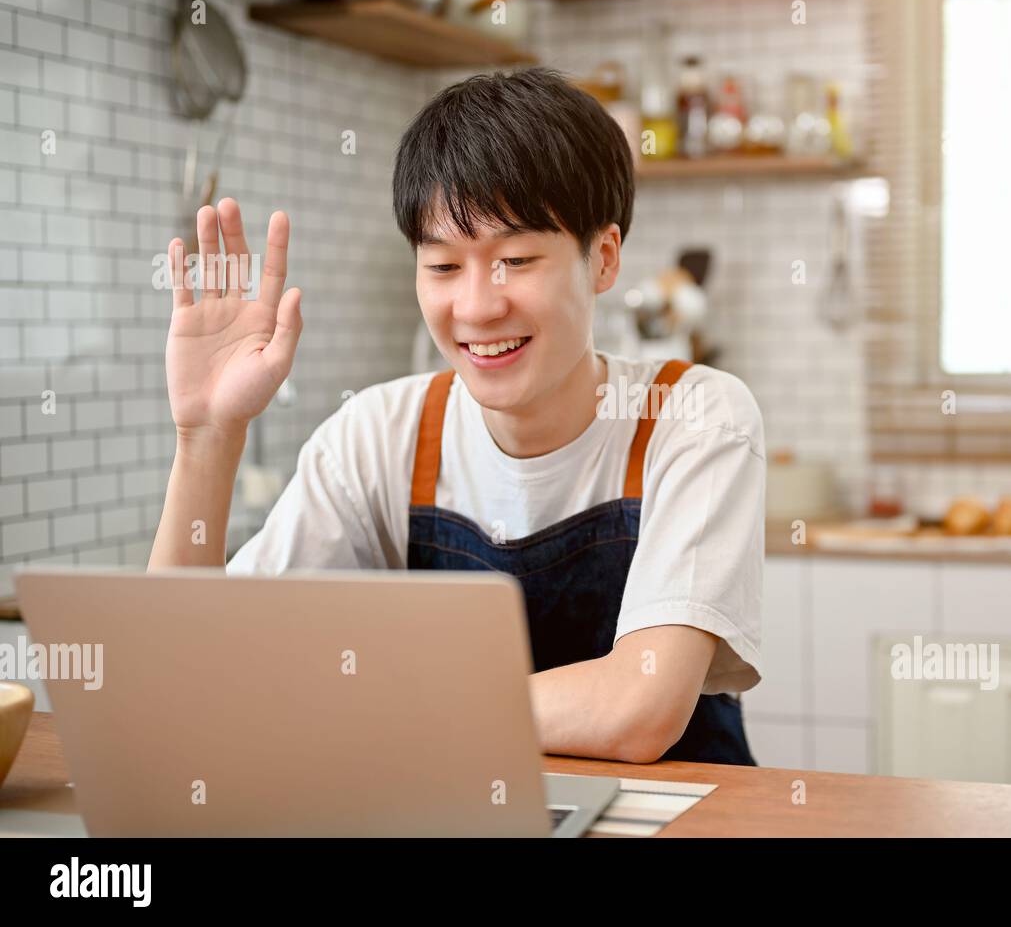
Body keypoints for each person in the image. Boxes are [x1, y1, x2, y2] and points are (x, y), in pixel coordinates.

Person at [148, 67, 765, 765]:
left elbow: (637, 709)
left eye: (516, 259)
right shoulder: (380, 436)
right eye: (443, 267)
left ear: (604, 258)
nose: (476, 307)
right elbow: (191, 675)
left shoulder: (693, 418)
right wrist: (206, 435)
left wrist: (364, 701)